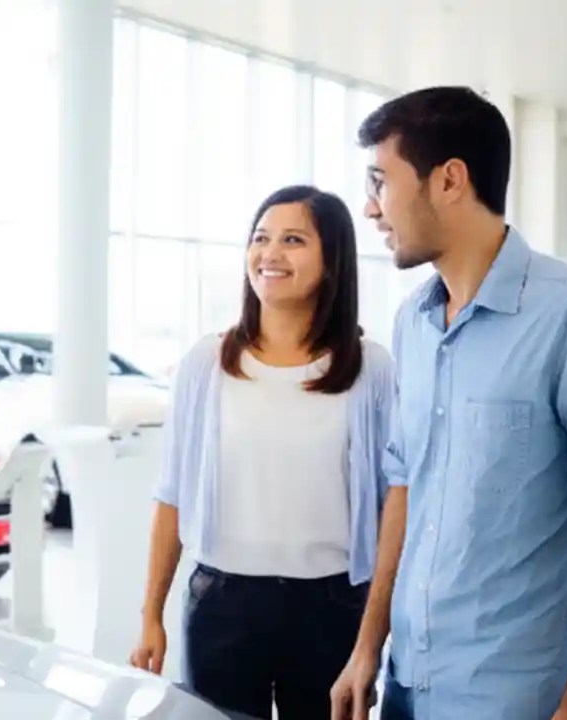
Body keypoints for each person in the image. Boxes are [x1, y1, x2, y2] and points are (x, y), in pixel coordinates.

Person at [329, 87, 567, 720]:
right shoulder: (414, 322)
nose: (371, 208)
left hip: (513, 698)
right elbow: (405, 486)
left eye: (381, 181)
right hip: (408, 683)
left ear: (450, 179)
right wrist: (366, 647)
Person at [130, 185, 398, 719]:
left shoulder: (371, 370)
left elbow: (394, 510)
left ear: (333, 261)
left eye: (293, 239)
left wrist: (374, 636)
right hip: (222, 605)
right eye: (261, 238)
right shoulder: (207, 363)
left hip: (333, 607)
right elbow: (172, 496)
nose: (270, 253)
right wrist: (151, 615)